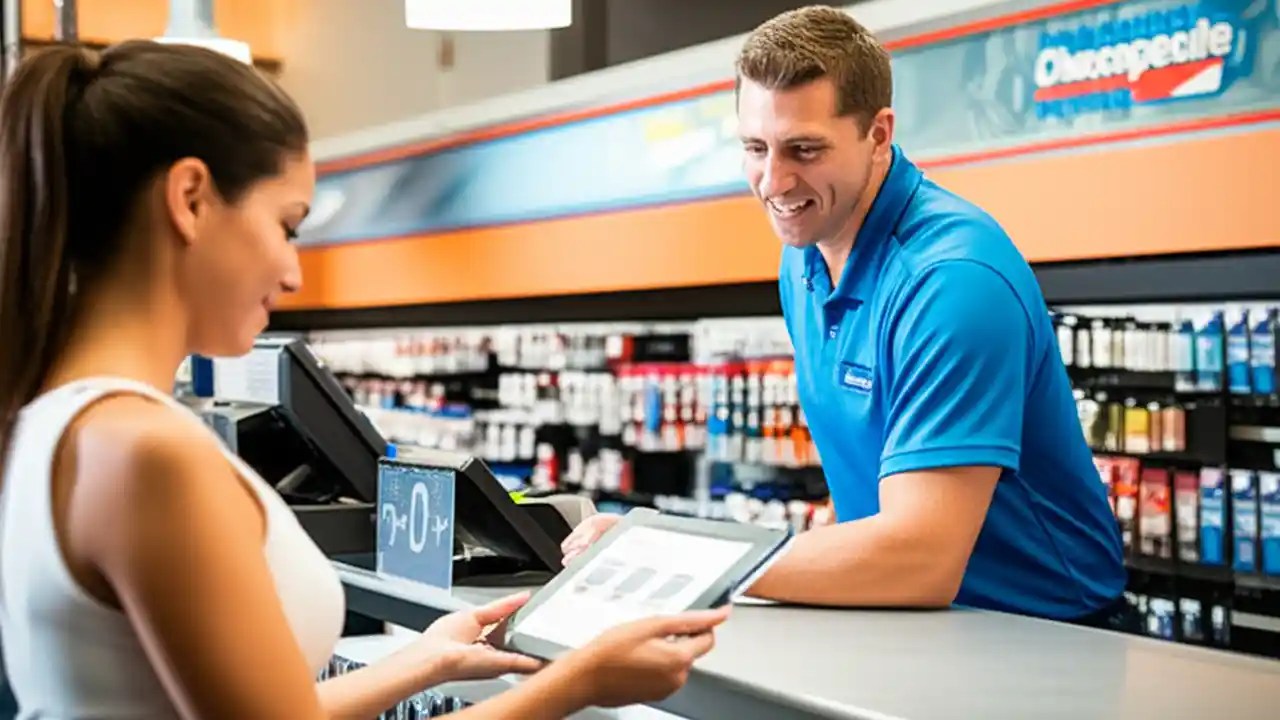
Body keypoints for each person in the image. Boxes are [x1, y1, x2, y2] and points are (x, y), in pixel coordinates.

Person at [0, 41, 729, 720]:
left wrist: (424, 660)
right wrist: (580, 683)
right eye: (287, 226)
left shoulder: (55, 420)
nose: (292, 272)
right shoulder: (149, 455)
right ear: (190, 198)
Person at [562, 6, 1127, 625]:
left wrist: (672, 555)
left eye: (803, 149)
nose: (773, 182)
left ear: (879, 134)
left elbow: (921, 557)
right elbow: (866, 480)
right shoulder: (803, 257)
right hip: (907, 620)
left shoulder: (952, 282)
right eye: (755, 148)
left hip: (1044, 636)